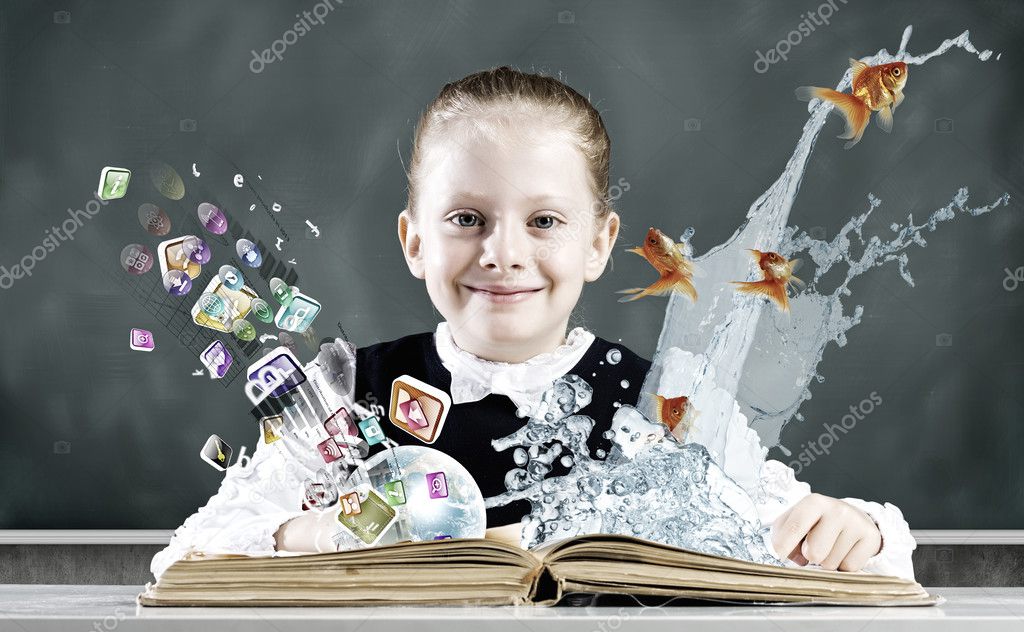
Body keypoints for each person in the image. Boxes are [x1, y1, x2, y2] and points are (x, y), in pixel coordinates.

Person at [150, 66, 916, 582]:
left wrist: (860, 531)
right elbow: (187, 554)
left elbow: (821, 536)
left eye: (544, 219)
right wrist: (323, 534)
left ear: (599, 244)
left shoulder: (671, 404)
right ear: (415, 242)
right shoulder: (345, 391)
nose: (504, 252)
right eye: (466, 218)